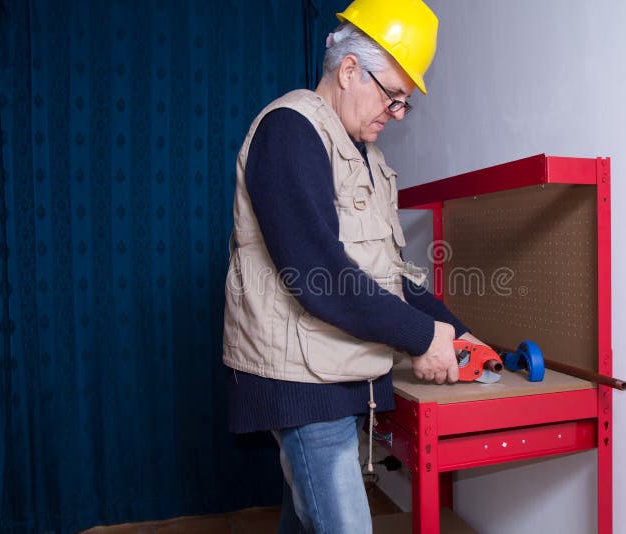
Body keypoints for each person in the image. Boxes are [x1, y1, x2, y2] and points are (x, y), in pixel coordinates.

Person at [222, 0, 486, 531]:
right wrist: (421, 339)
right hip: (302, 383)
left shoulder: (367, 158)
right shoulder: (291, 132)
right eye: (392, 99)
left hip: (335, 372)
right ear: (348, 70)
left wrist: (459, 335)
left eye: (403, 105)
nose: (395, 115)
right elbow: (318, 275)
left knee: (306, 516)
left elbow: (390, 277)